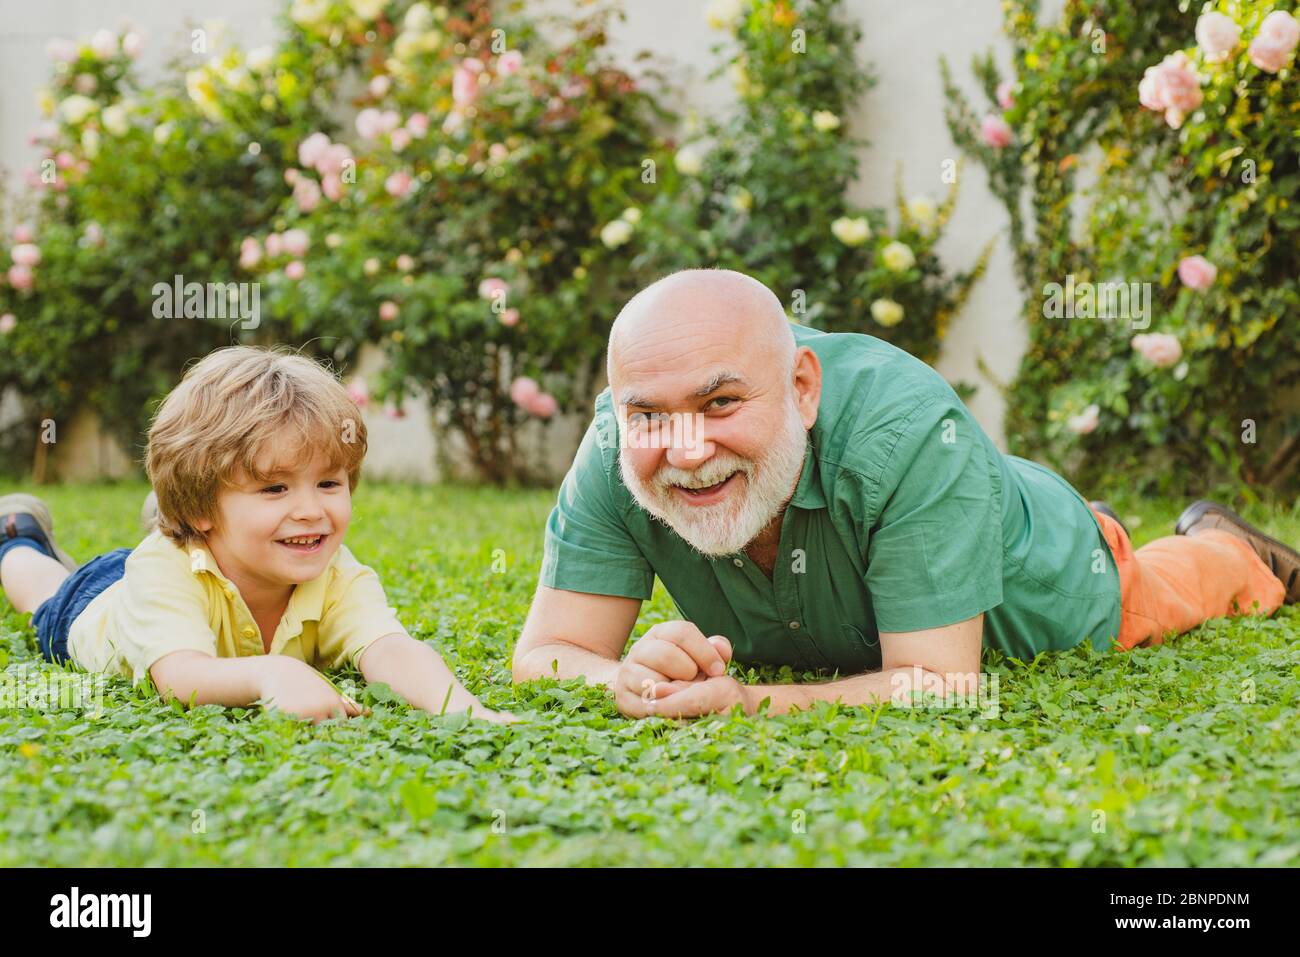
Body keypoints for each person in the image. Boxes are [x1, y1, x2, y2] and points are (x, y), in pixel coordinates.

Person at [512, 269, 1297, 719]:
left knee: (1162, 589)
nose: (686, 451)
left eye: (721, 403)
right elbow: (549, 652)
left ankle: (1218, 545)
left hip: (1063, 573)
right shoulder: (620, 449)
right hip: (953, 506)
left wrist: (743, 705)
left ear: (802, 388)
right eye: (649, 412)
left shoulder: (909, 428)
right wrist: (629, 679)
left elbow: (940, 682)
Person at [0, 346, 511, 723]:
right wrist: (270, 673)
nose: (311, 511)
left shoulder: (337, 574)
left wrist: (467, 709)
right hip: (106, 602)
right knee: (44, 594)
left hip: (201, 547)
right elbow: (181, 677)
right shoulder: (158, 572)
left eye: (328, 483)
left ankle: (183, 511)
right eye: (274, 489)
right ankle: (15, 537)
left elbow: (390, 649)